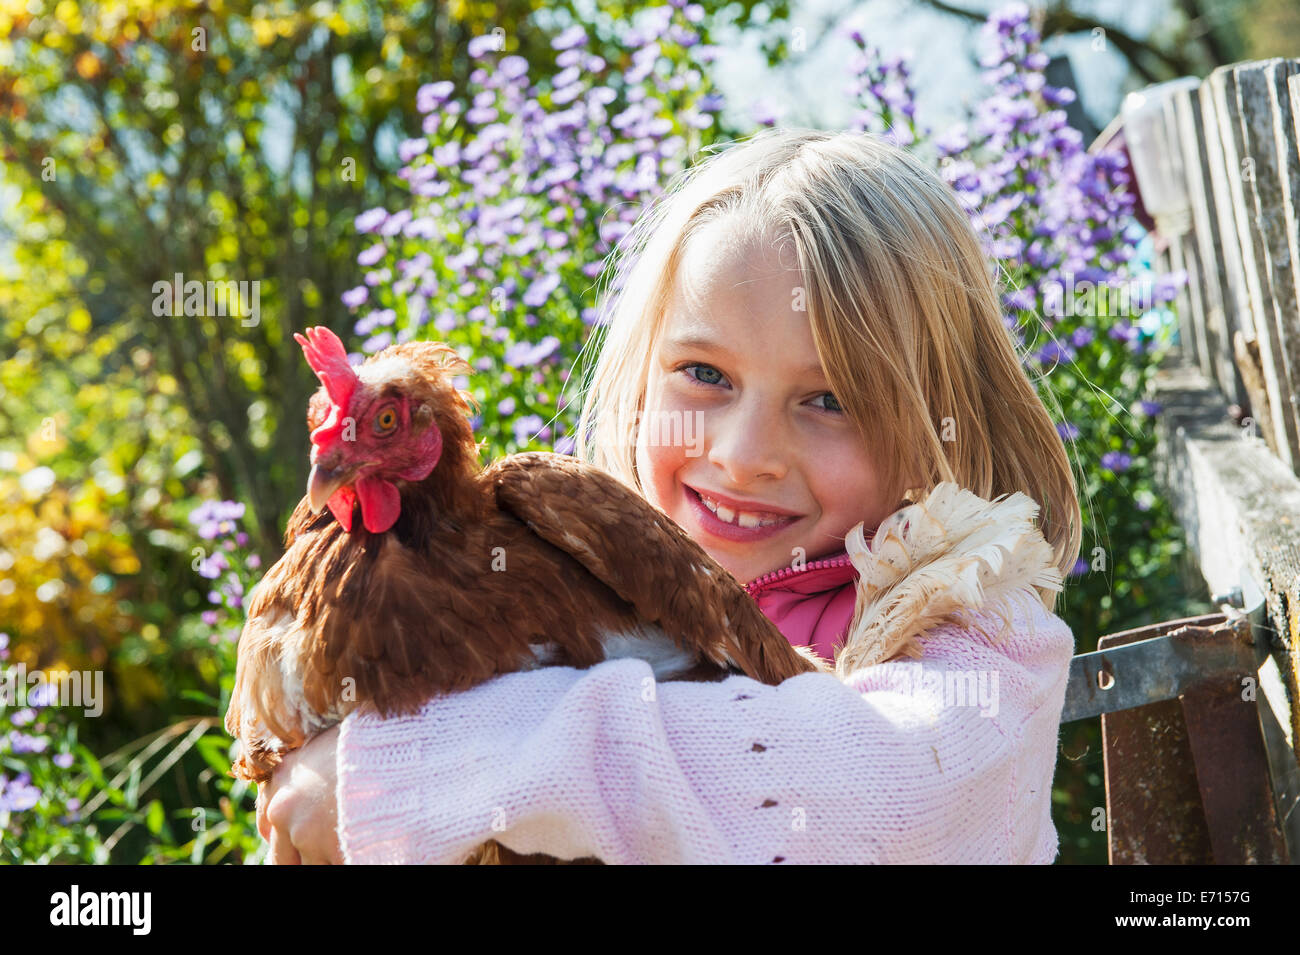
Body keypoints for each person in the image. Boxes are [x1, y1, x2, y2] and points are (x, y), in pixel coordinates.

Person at [256, 127, 1081, 865]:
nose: (744, 455)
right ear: (640, 377)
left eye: (830, 400)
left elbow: (881, 792)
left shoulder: (981, 637)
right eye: (705, 374)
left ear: (941, 415)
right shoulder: (560, 581)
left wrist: (413, 772)